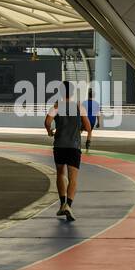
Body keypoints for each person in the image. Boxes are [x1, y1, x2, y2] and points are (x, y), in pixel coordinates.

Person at [45, 92, 91, 222]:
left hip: (59, 146)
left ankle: (61, 204)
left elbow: (47, 121)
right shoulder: (78, 107)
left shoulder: (57, 106)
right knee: (73, 179)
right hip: (74, 147)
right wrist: (80, 128)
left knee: (60, 174)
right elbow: (88, 127)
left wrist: (50, 132)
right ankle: (68, 206)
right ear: (71, 93)